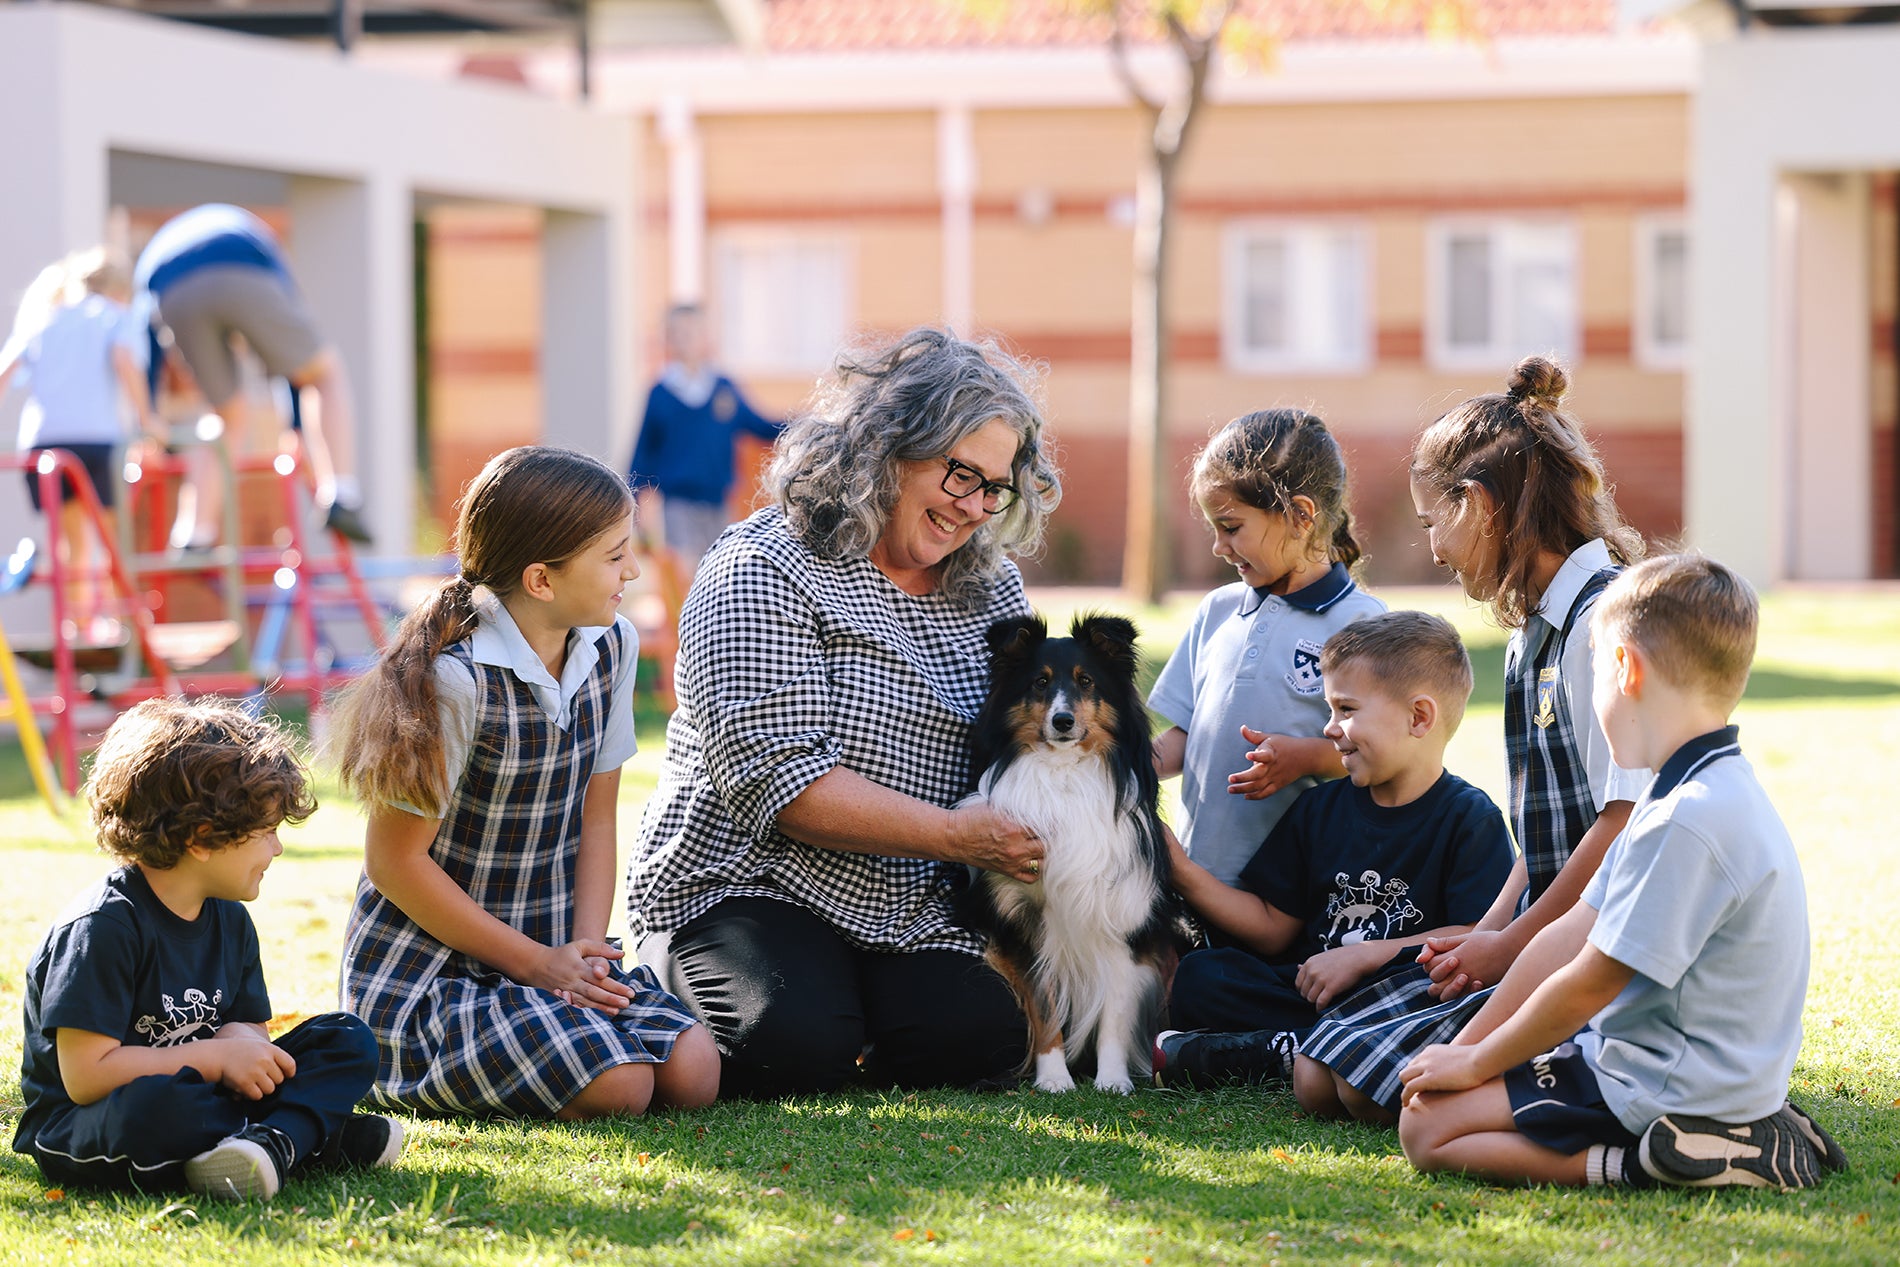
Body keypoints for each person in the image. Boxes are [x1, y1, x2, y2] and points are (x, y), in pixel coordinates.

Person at [625, 327, 1063, 1097]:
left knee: (981, 1040)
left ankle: (857, 1007)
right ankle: (665, 959)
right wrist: (958, 834)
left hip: (910, 900)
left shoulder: (992, 587)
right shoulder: (764, 566)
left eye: (995, 487)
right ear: (890, 443)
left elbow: (1019, 746)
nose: (974, 508)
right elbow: (780, 784)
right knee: (789, 1045)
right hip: (751, 881)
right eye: (961, 474)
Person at [1397, 554, 1848, 1189]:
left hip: (1668, 1078)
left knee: (1427, 1129)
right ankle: (1739, 1126)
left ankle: (1675, 1158)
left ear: (1624, 670)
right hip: (1658, 1059)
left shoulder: (1686, 819)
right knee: (1428, 1106)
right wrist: (1465, 1045)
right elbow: (1568, 933)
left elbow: (1587, 982)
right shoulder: (1680, 792)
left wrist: (1475, 1065)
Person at [1295, 355, 1650, 1122]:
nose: (1433, 549)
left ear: (1479, 506)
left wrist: (1516, 941)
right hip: (1535, 930)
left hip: (1594, 946)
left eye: (1433, 523)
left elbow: (1619, 824)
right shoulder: (1533, 632)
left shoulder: (1599, 624)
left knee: (1365, 1091)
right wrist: (1485, 938)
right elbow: (1544, 830)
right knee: (1317, 1076)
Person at [331, 446, 720, 1119]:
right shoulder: (456, 681)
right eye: (614, 555)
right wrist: (537, 965)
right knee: (622, 1085)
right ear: (542, 579)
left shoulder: (613, 644)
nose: (632, 570)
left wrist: (584, 958)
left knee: (694, 1068)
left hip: (552, 957)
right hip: (431, 980)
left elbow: (597, 818)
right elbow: (392, 863)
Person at [12, 698, 401, 1202]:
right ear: (202, 838)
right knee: (164, 1108)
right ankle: (306, 1135)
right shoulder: (102, 928)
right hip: (96, 1119)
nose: (277, 849)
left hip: (206, 1092)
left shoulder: (230, 918)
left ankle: (274, 1143)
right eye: (266, 832)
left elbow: (247, 1026)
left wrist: (244, 1046)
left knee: (346, 1039)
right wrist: (218, 1056)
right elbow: (88, 1077)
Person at [1153, 611, 1515, 1087]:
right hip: (1310, 993)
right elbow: (1272, 929)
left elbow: (1475, 934)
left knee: (1453, 999)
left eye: (1346, 710)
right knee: (1205, 976)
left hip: (1401, 996)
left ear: (1419, 717)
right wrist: (1180, 869)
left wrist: (1367, 956)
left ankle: (1283, 1051)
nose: (1328, 727)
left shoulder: (1471, 818)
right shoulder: (1318, 809)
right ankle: (1311, 1048)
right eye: (1330, 709)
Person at [1149, 409, 1386, 888]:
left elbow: (1384, 754)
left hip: (1297, 893)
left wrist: (1306, 756)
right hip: (1200, 878)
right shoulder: (1217, 611)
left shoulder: (1364, 625)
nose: (1218, 546)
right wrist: (1123, 767)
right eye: (1214, 528)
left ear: (1300, 516)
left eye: (1231, 527)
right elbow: (1185, 735)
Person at [133, 202, 370, 545]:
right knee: (324, 372)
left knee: (225, 414)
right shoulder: (257, 238)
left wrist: (148, 421)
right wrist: (296, 428)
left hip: (169, 288)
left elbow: (146, 335)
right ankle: (340, 494)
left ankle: (194, 533)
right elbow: (295, 363)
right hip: (244, 267)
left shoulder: (160, 247)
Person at [0, 248, 163, 634]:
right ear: (119, 290)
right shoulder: (112, 316)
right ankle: (112, 618)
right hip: (96, 440)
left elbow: (6, 370)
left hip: (45, 445)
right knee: (108, 532)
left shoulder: (45, 318)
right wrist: (147, 421)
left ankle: (77, 621)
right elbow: (125, 360)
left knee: (69, 537)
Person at [627, 303, 783, 567]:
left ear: (705, 337)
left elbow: (761, 426)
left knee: (721, 569)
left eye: (692, 332)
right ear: (668, 339)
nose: (685, 339)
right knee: (685, 571)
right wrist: (634, 507)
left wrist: (808, 422)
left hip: (719, 502)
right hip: (678, 504)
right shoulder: (660, 393)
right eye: (677, 333)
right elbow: (642, 455)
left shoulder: (725, 389)